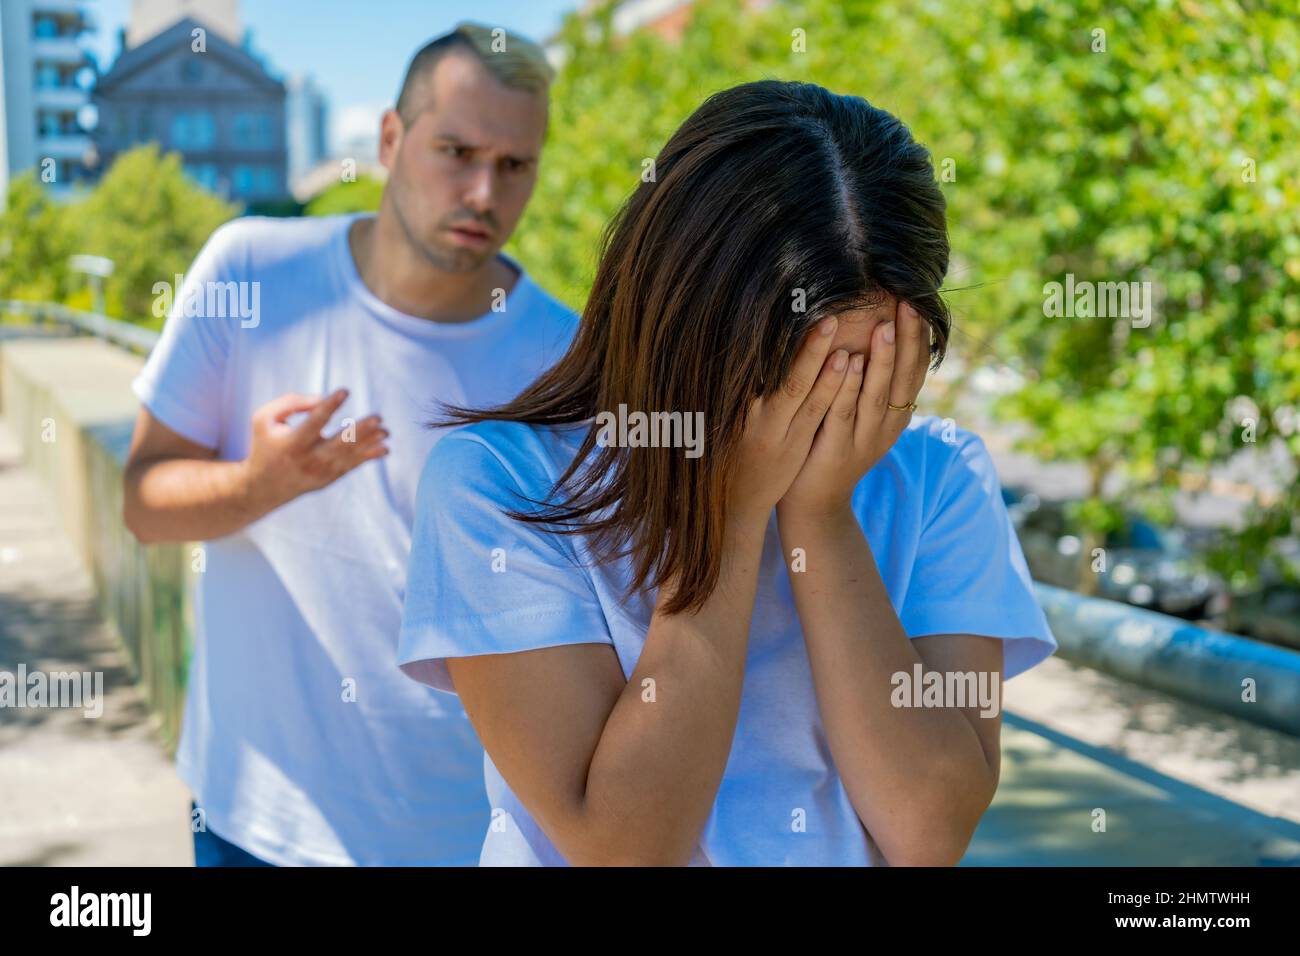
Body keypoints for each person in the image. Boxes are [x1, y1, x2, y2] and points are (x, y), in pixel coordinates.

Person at [397, 79, 1057, 866]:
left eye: (853, 367)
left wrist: (822, 516)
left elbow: (930, 831)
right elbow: (623, 848)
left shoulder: (943, 476)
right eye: (779, 367)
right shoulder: (497, 484)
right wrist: (733, 516)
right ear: (677, 316)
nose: (811, 408)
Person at [122, 23, 578, 866]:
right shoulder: (248, 270)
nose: (483, 191)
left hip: (467, 843)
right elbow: (143, 504)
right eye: (456, 150)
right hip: (248, 822)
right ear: (390, 141)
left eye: (515, 165)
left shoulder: (569, 361)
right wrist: (259, 485)